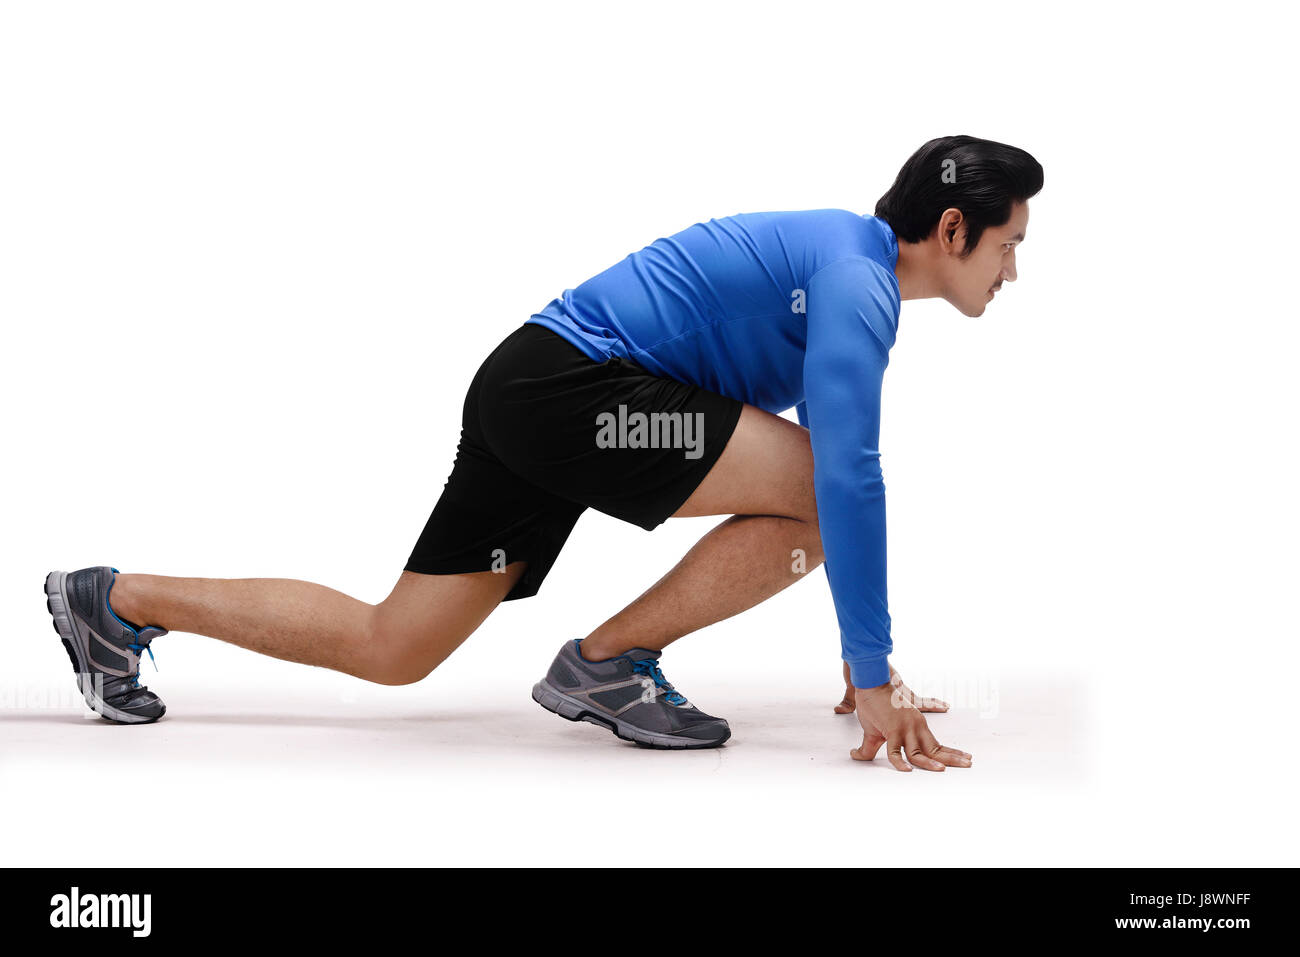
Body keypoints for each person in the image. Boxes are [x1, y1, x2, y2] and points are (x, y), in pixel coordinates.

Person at [44, 134, 1042, 770]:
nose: (1012, 271)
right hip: (575, 394)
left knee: (394, 647)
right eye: (1007, 245)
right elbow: (843, 478)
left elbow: (816, 472)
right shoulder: (856, 281)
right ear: (951, 228)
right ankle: (609, 663)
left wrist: (857, 651)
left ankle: (117, 600)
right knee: (826, 497)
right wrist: (871, 667)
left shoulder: (841, 269)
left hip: (538, 391)